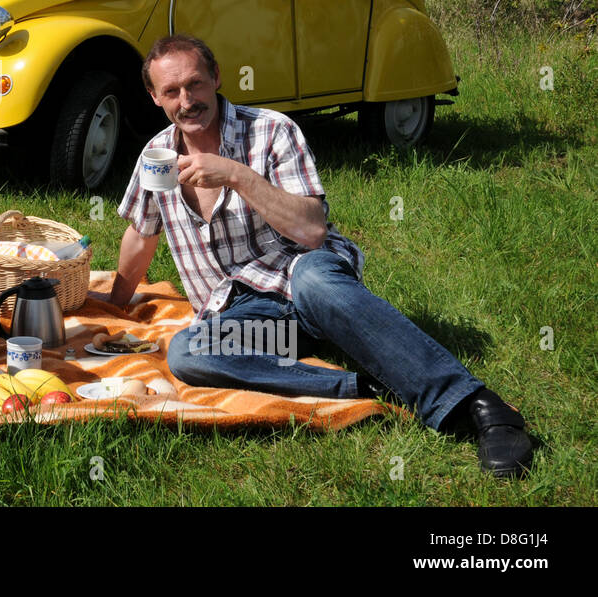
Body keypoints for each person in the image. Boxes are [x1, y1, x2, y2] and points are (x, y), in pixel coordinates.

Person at [111, 34, 533, 478]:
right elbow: (141, 235)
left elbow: (312, 229)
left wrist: (236, 174)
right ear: (154, 97)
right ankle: (365, 387)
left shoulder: (270, 131)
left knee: (315, 281)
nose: (187, 100)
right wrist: (111, 306)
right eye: (172, 92)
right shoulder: (155, 158)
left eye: (195, 84)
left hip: (305, 281)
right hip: (263, 327)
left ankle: (479, 405)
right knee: (189, 350)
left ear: (216, 78)